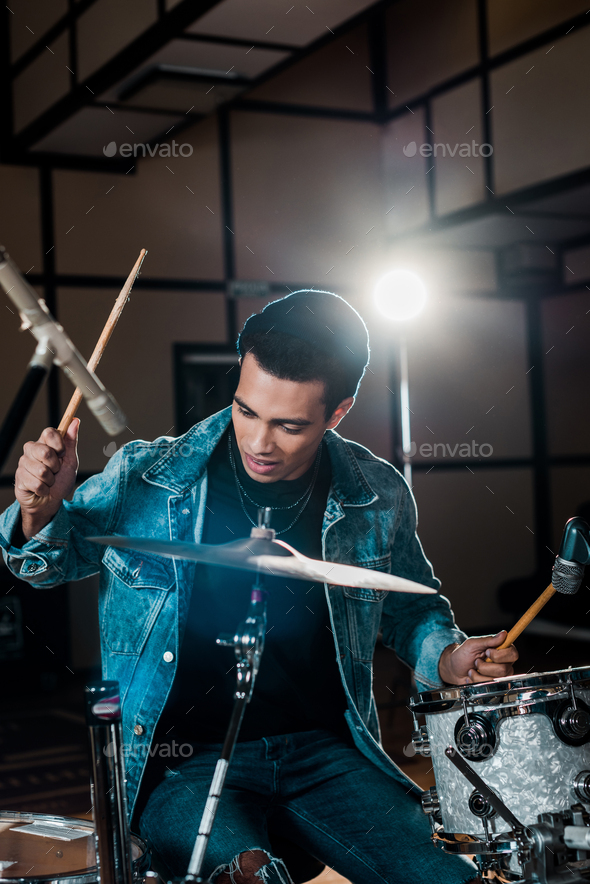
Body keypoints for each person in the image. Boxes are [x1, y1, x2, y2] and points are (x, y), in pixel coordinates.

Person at [0, 290, 518, 884]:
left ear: (338, 412)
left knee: (453, 878)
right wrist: (37, 508)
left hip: (326, 753)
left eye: (289, 425)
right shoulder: (149, 478)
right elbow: (45, 562)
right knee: (246, 877)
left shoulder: (375, 493)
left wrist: (448, 657)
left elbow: (408, 606)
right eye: (247, 411)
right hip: (183, 763)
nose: (258, 442)